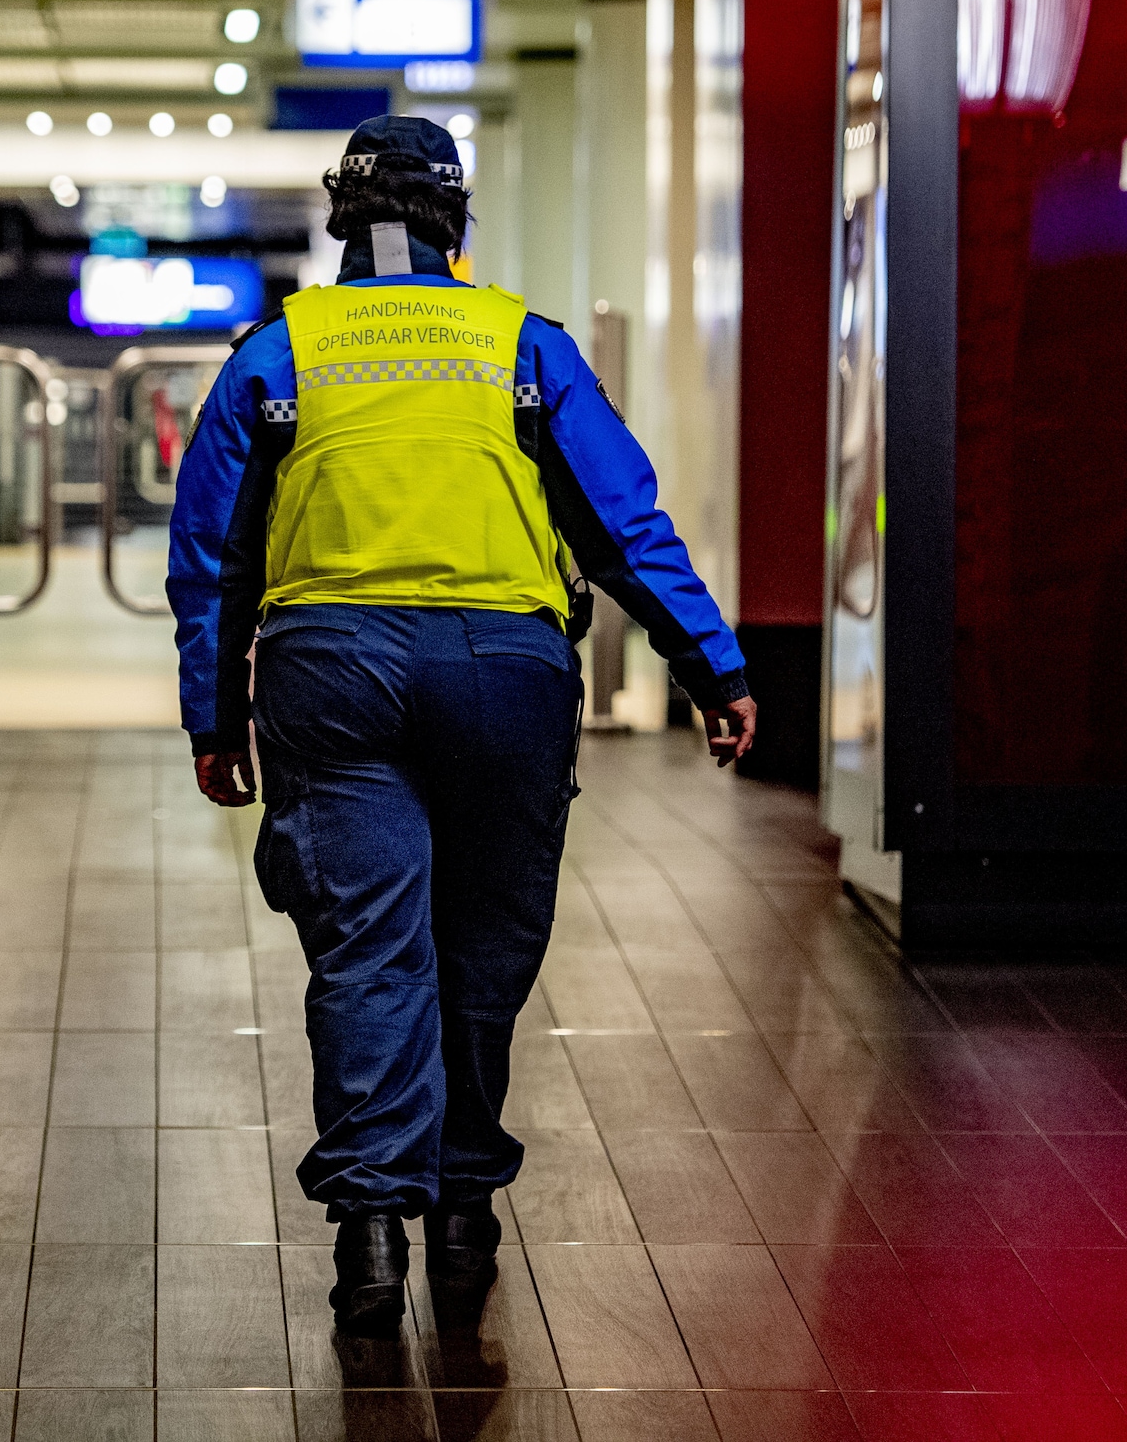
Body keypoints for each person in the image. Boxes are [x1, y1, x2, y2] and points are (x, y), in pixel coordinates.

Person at [168, 116, 755, 1336]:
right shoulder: (519, 345)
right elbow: (618, 524)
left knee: (368, 952)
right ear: (454, 221)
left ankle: (371, 1233)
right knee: (480, 951)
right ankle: (464, 1208)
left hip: (328, 675)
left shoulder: (277, 353)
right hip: (504, 670)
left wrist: (212, 714)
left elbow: (213, 556)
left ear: (342, 221)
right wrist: (712, 666)